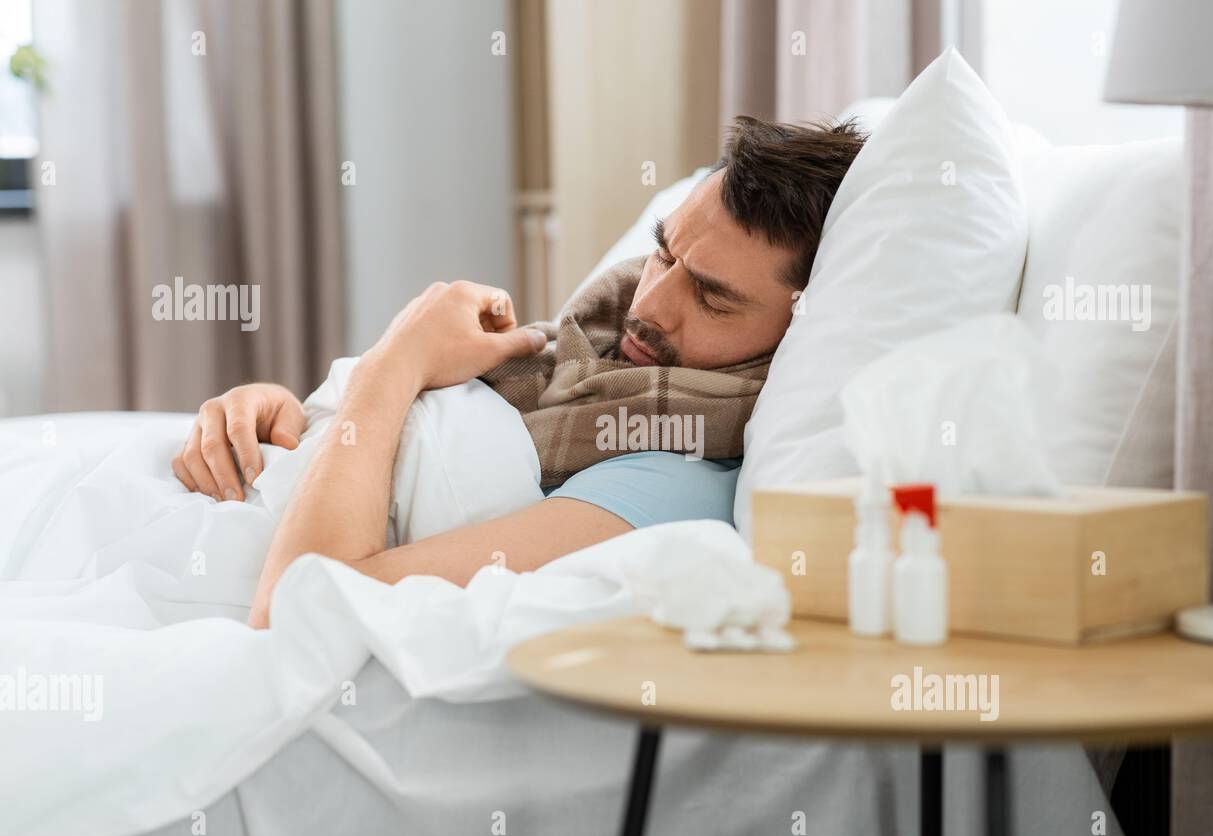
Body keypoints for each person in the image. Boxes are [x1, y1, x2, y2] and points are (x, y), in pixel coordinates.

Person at [170, 117, 865, 627]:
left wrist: (396, 360)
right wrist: (279, 416)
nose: (648, 305)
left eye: (711, 297)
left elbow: (300, 605)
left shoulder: (671, 482)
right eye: (662, 254)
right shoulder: (570, 366)